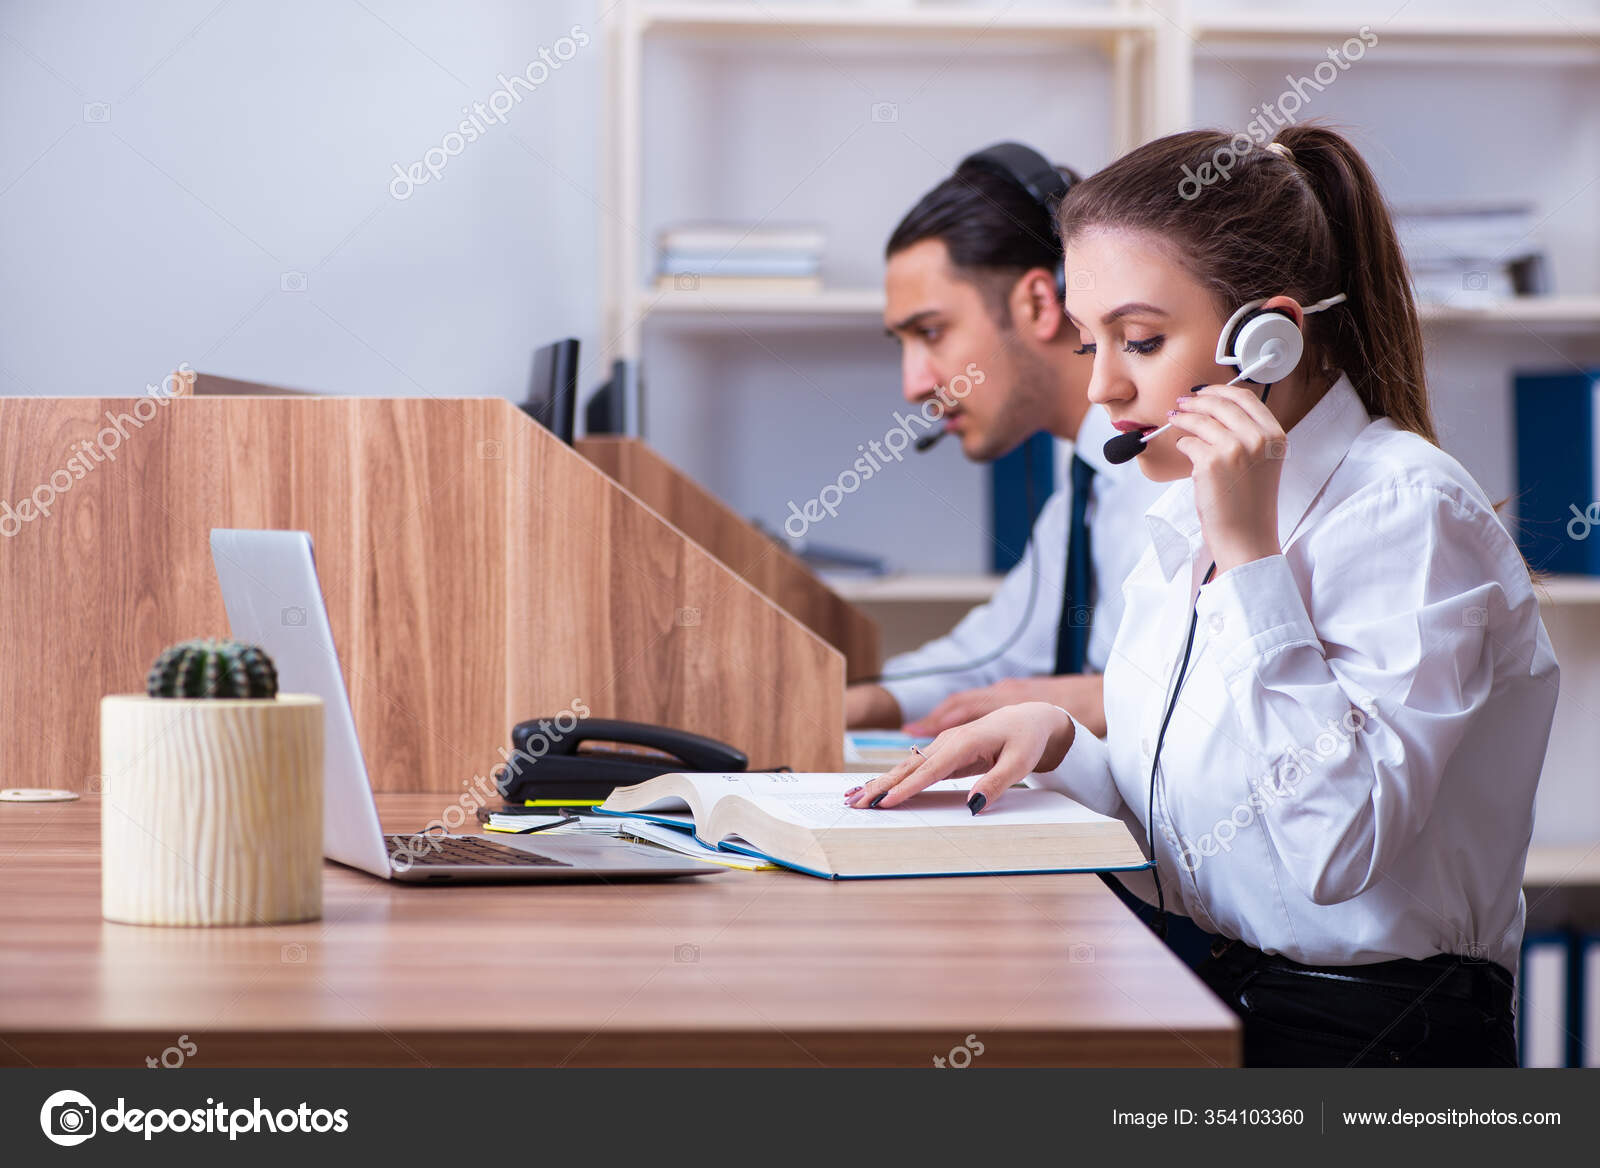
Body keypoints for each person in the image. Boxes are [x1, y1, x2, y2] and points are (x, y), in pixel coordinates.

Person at [849, 125, 1559, 1067]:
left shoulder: (1405, 512)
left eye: (1139, 340)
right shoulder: (1187, 512)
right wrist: (1064, 747)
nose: (1102, 385)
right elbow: (1205, 842)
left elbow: (1332, 853)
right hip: (1210, 989)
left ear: (1266, 339)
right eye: (1090, 339)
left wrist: (1251, 562)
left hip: (1366, 1034)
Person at [848, 145, 1168, 740]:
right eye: (904, 345)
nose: (915, 384)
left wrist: (1095, 698)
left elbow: (1220, 695)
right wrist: (842, 704)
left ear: (1039, 304)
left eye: (932, 332)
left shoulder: (1174, 473)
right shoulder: (1083, 492)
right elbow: (989, 655)